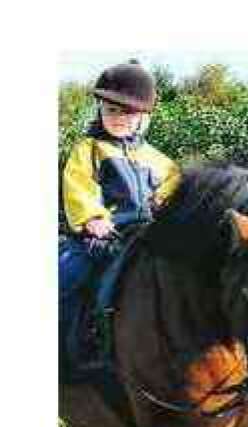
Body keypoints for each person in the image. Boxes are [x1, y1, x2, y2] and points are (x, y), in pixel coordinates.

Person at [59, 60, 180, 368]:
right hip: (99, 237)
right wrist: (91, 218)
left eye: (127, 112)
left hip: (145, 237)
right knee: (65, 276)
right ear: (100, 109)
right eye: (111, 110)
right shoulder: (88, 149)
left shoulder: (160, 160)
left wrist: (163, 204)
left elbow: (173, 191)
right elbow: (78, 185)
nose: (119, 118)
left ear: (143, 117)